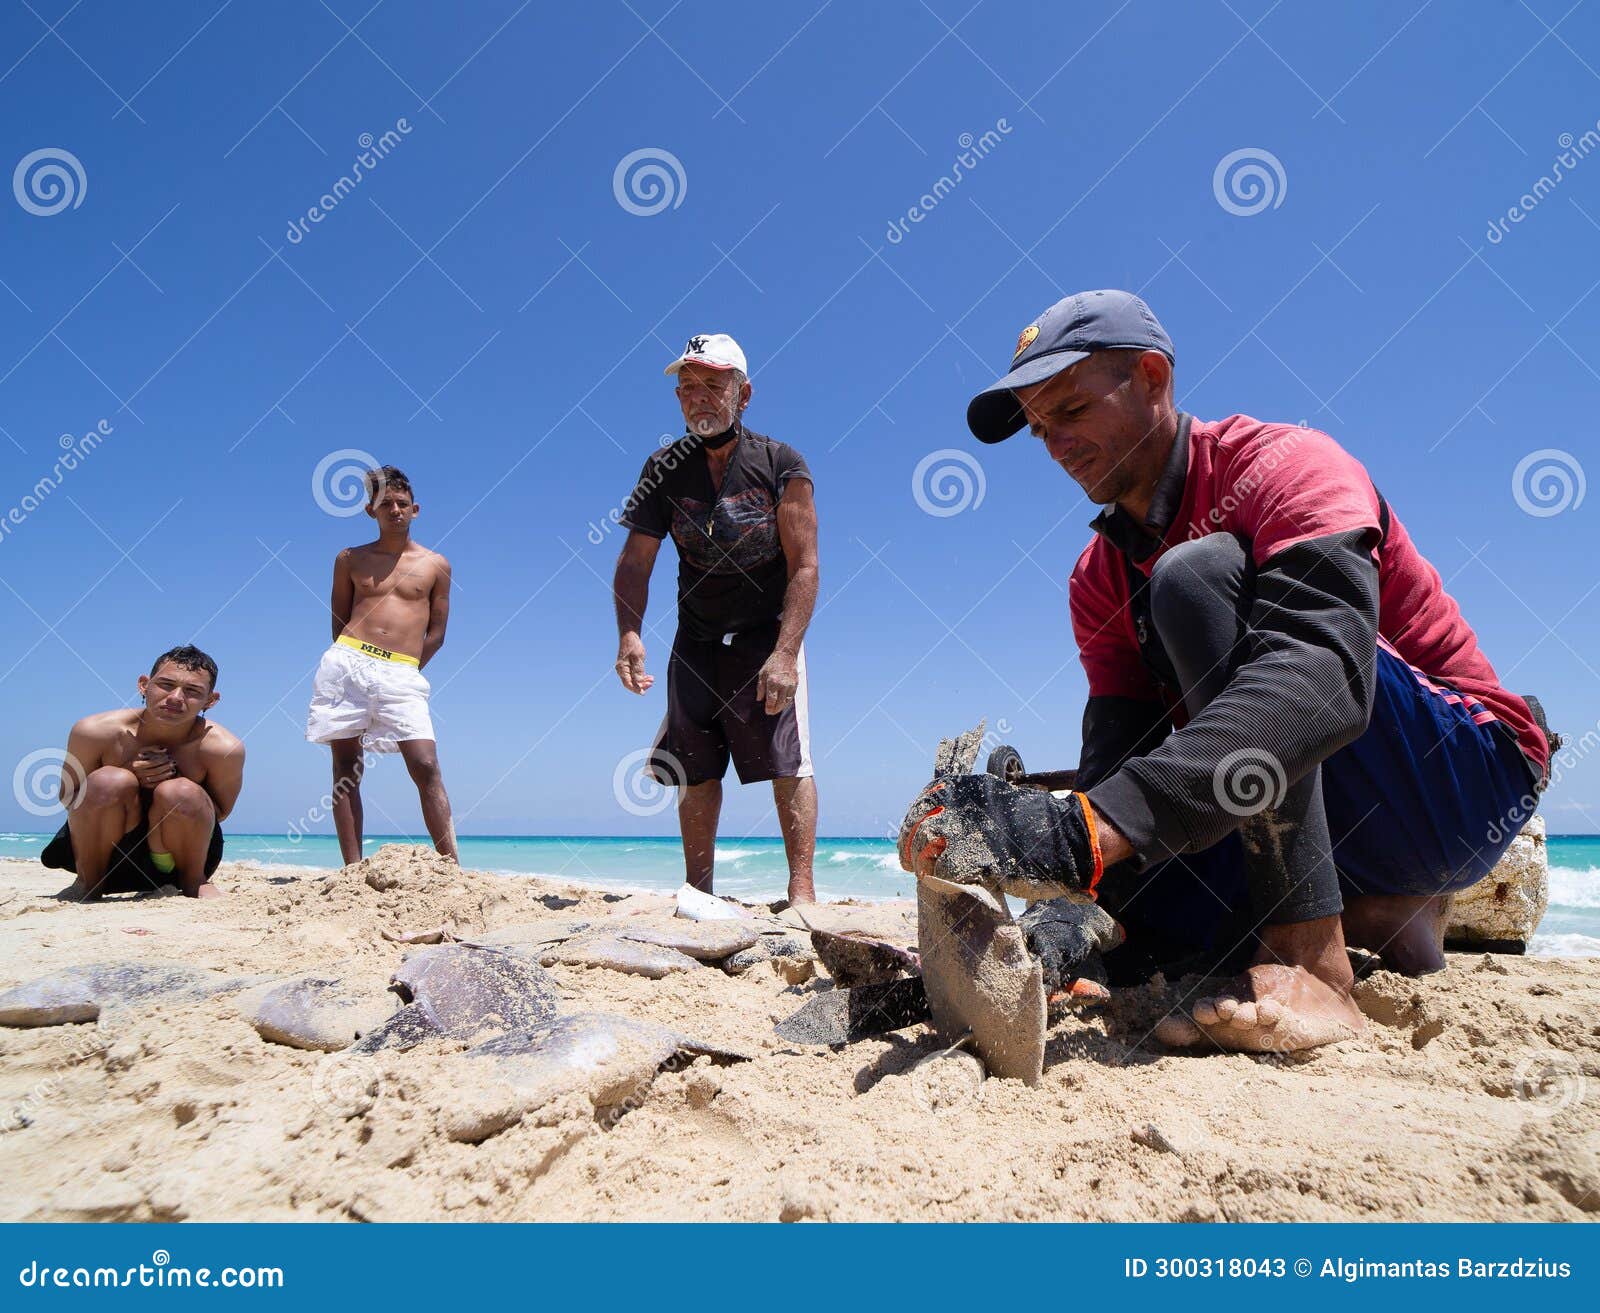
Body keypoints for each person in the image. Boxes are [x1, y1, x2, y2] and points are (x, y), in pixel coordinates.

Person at [900, 289, 1555, 1054]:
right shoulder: (1097, 576)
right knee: (1138, 933)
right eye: (1040, 430)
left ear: (1152, 376)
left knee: (1195, 579)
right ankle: (1384, 911)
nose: (1054, 444)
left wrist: (1080, 830)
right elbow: (1124, 752)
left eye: (1070, 411)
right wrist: (1078, 897)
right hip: (1314, 797)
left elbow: (1323, 680)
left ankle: (1312, 956)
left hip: (1464, 777)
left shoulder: (1287, 464)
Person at [613, 333, 821, 905]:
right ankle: (698, 891)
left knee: (789, 761)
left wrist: (785, 653)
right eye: (687, 387)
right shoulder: (664, 468)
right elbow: (635, 563)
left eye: (712, 384)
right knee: (694, 767)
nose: (697, 397)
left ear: (743, 392)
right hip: (697, 637)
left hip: (766, 635)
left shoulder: (782, 464)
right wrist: (630, 632)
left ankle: (801, 894)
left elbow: (805, 568)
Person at [305, 465, 457, 864]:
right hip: (349, 662)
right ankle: (352, 869)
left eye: (402, 503)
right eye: (385, 503)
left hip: (403, 671)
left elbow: (437, 632)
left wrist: (404, 669)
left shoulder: (436, 564)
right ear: (370, 510)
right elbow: (338, 623)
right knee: (346, 767)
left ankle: (451, 867)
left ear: (416, 509)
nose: (395, 510)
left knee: (425, 764)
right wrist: (356, 658)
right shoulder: (349, 558)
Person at [40, 644, 243, 899]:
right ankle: (88, 882)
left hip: (177, 863)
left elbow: (220, 813)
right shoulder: (93, 731)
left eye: (192, 691)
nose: (176, 698)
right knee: (109, 781)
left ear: (210, 701)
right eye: (166, 684)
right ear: (144, 685)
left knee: (179, 791)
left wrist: (169, 786)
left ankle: (195, 882)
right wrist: (130, 775)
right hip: (105, 857)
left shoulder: (223, 748)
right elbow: (68, 796)